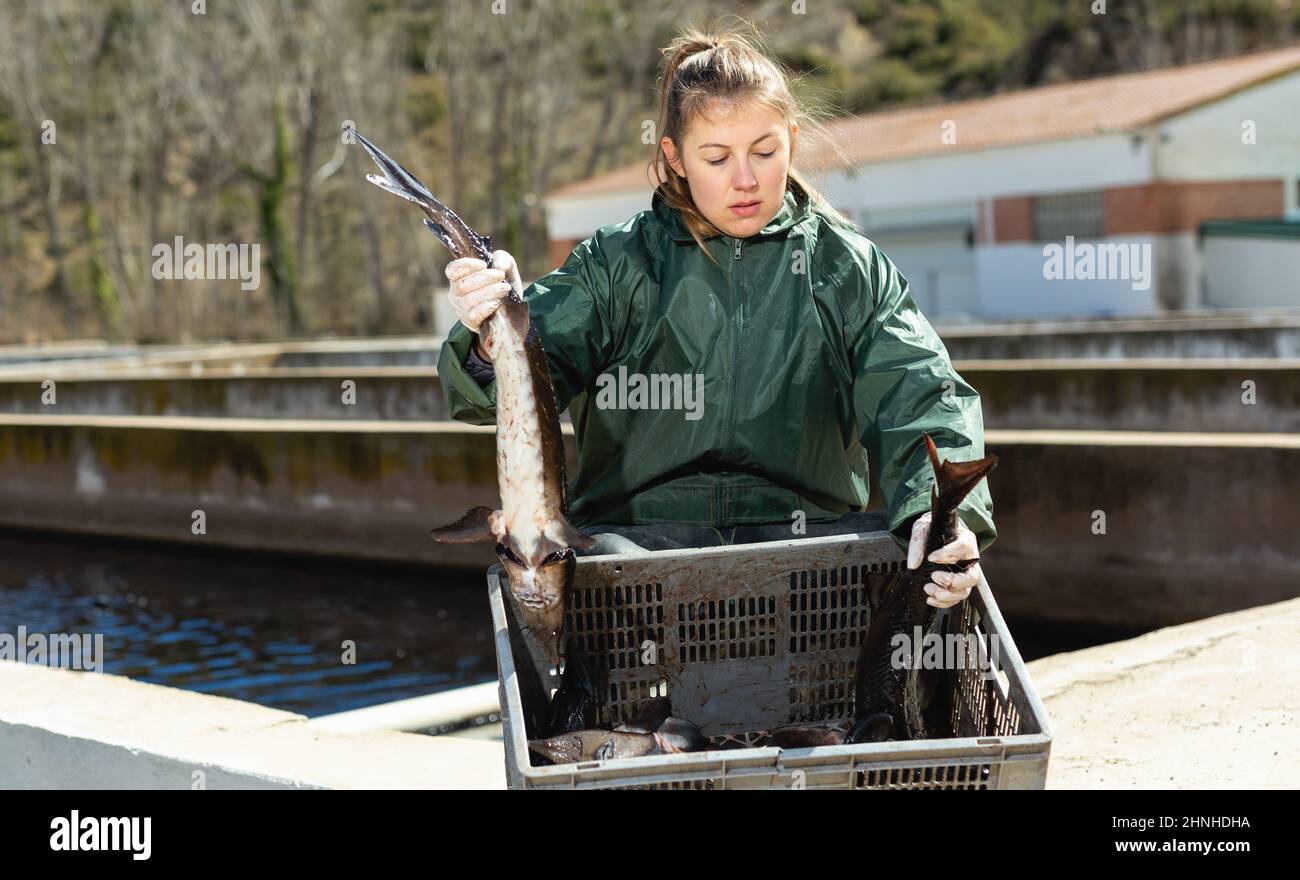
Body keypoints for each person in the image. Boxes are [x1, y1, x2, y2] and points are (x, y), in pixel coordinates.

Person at [436, 26, 995, 610]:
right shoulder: (612, 266)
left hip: (803, 550)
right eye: (717, 157)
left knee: (913, 569)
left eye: (764, 151)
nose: (746, 179)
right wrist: (486, 336)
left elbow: (922, 392)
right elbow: (500, 391)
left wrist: (942, 513)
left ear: (792, 140)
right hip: (635, 549)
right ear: (675, 157)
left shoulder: (848, 266)